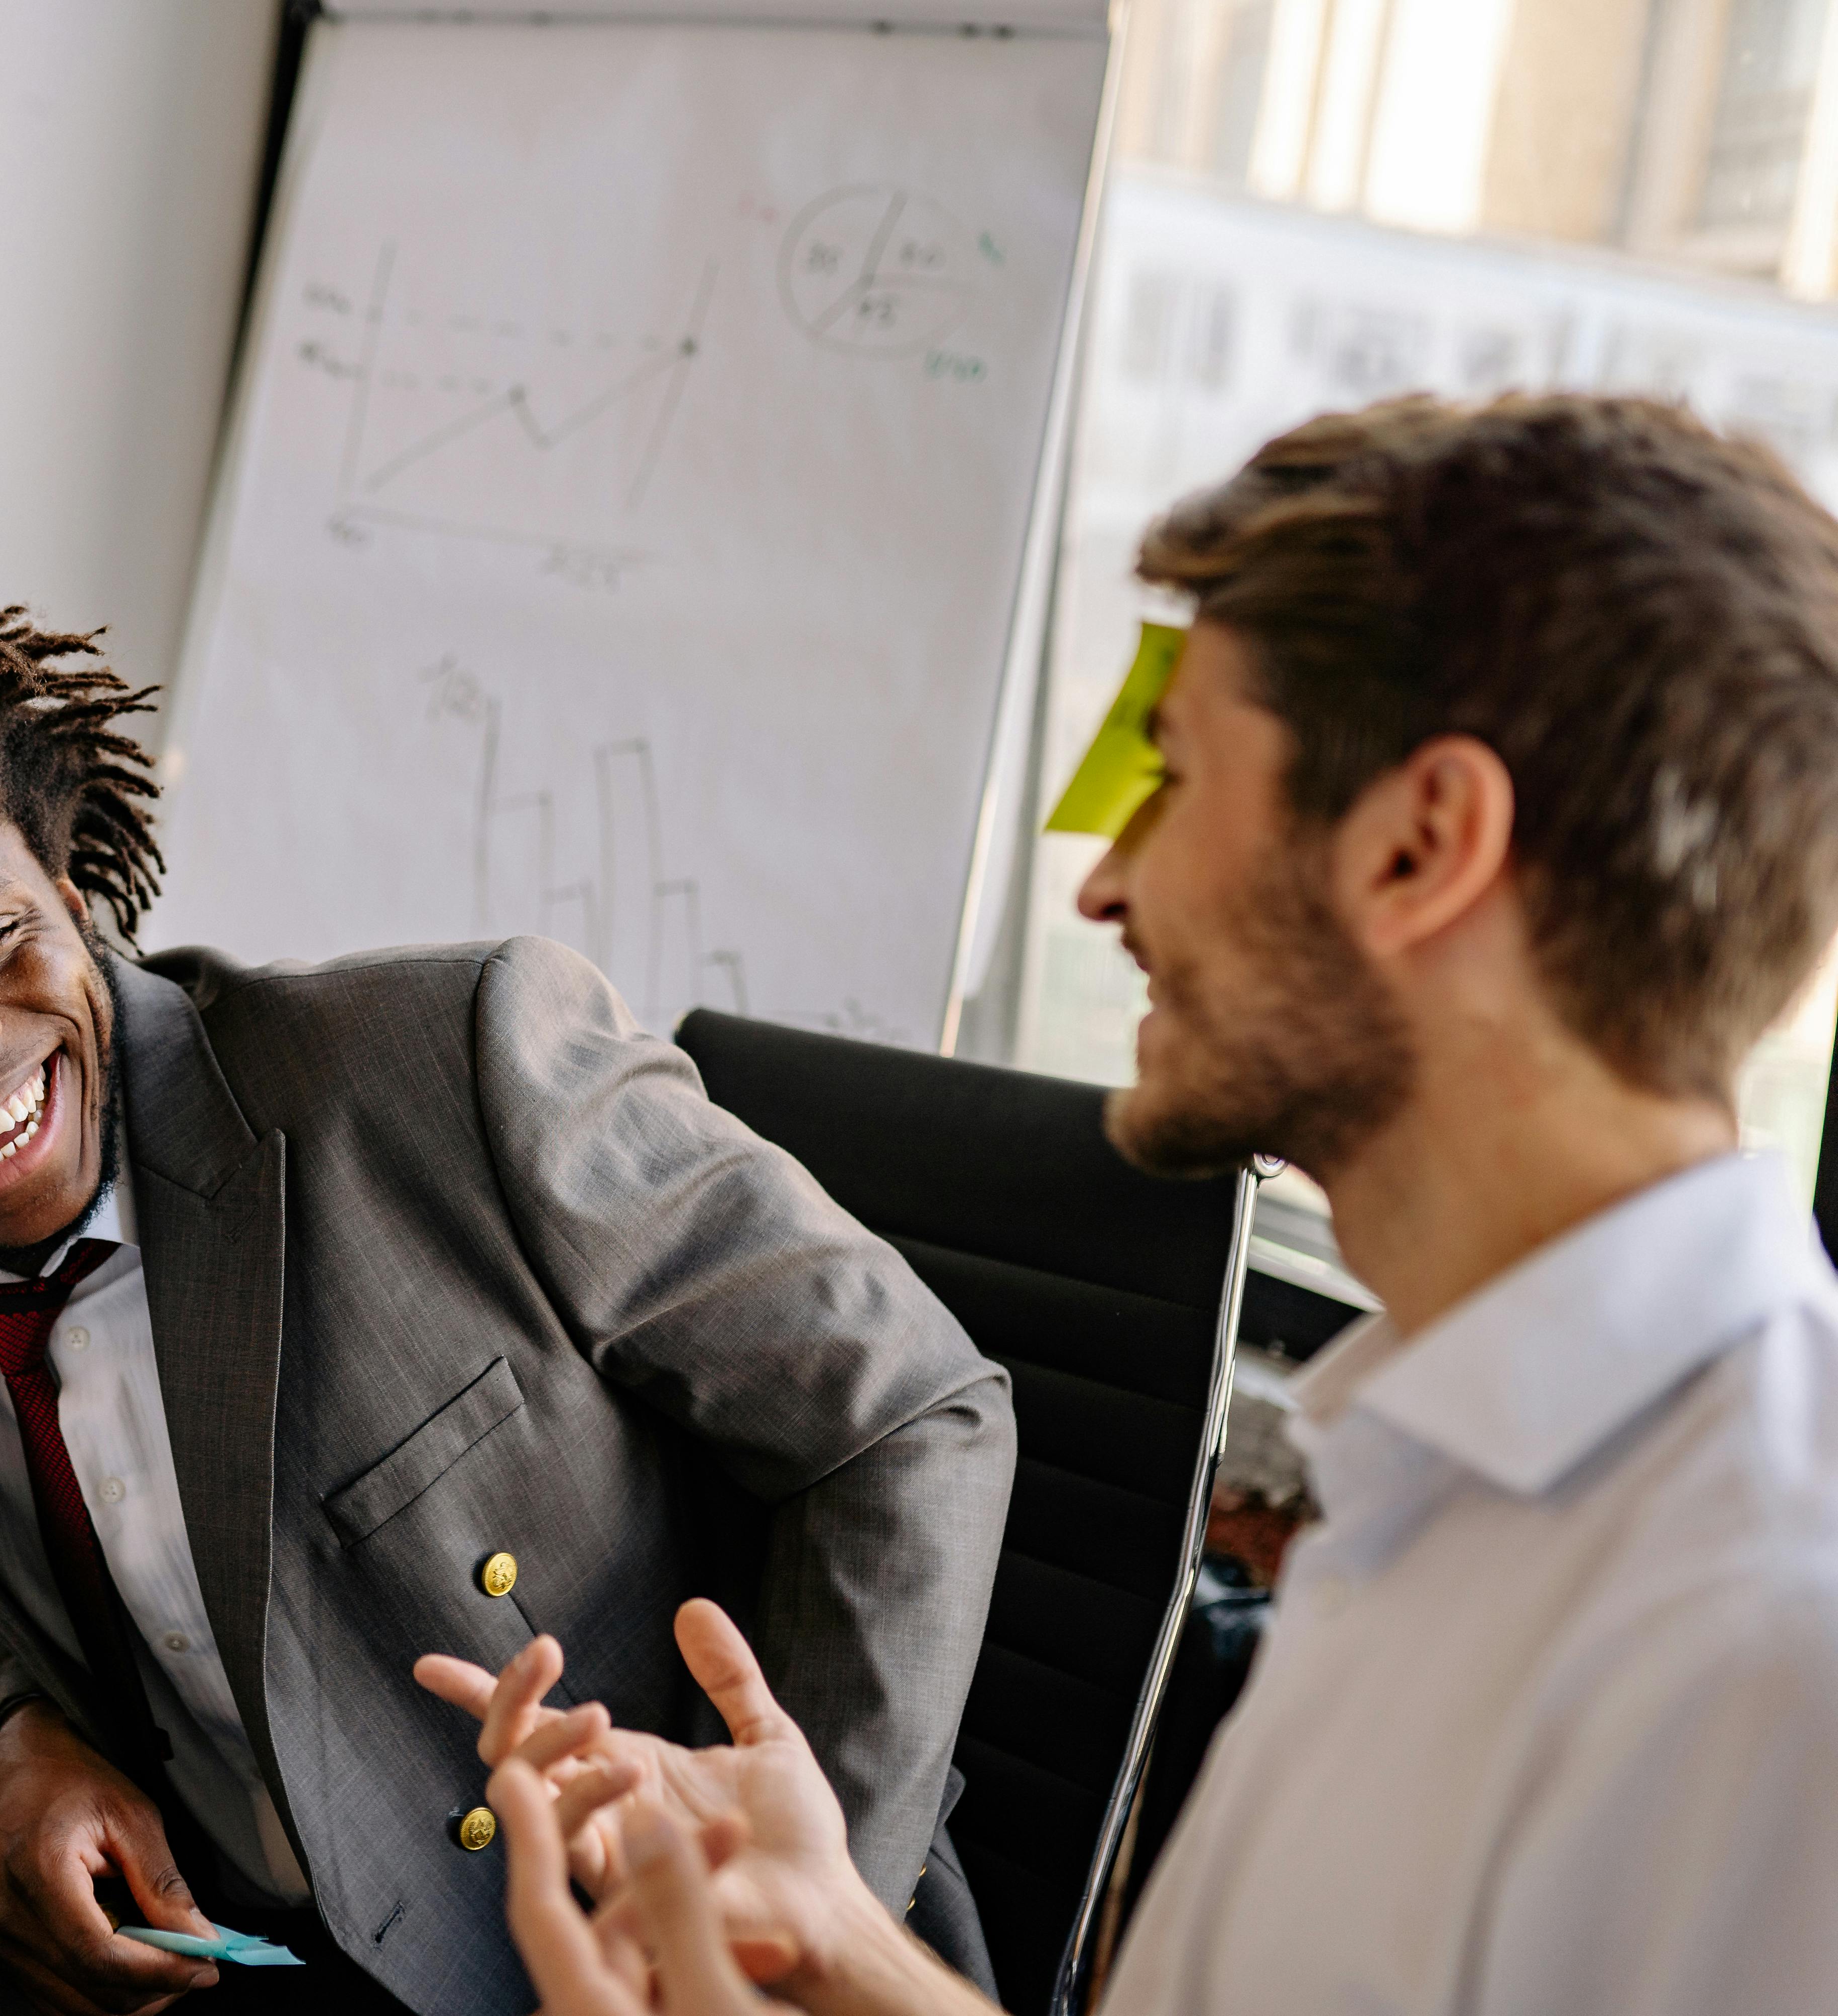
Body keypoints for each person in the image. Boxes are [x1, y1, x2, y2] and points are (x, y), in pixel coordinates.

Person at [428, 392, 1838, 2015]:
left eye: (1176, 778)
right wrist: (841, 1944)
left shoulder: (1759, 1654)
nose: (1107, 882)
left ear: (1419, 847)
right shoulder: (1443, 1479)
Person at [0, 597, 1017, 2015]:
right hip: (202, 1924)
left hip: (593, 1944)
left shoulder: (448, 1064)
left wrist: (797, 1929)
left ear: (76, 894)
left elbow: (906, 1418)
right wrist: (27, 1735)